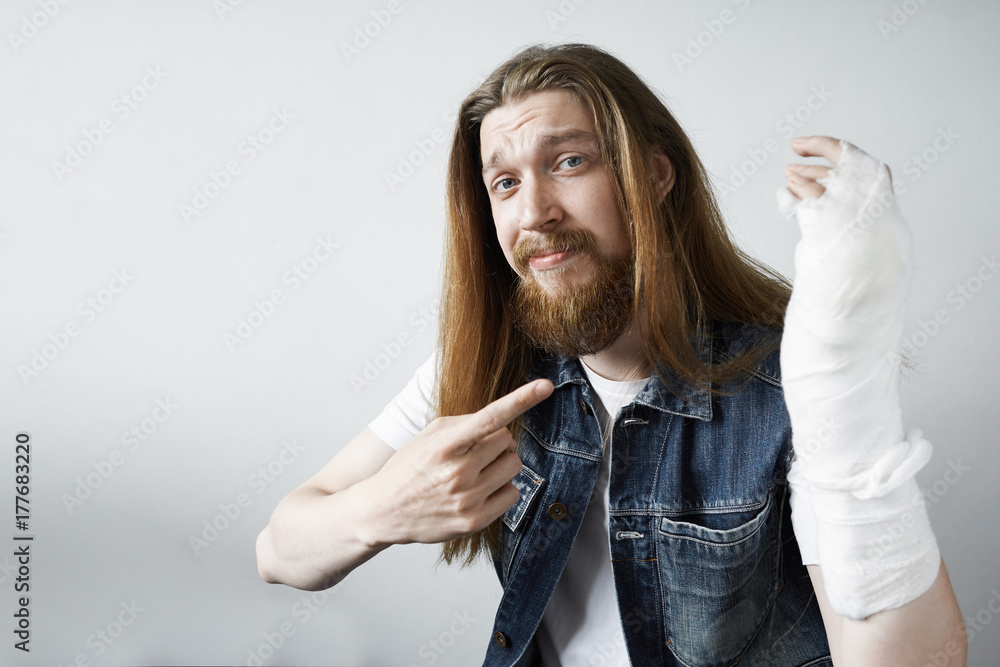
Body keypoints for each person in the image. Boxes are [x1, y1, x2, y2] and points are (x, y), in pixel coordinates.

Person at [256, 43, 966, 666]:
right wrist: (383, 507)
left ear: (654, 176)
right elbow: (278, 551)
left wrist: (844, 383)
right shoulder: (490, 367)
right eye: (505, 182)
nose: (534, 211)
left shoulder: (790, 390)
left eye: (568, 161)